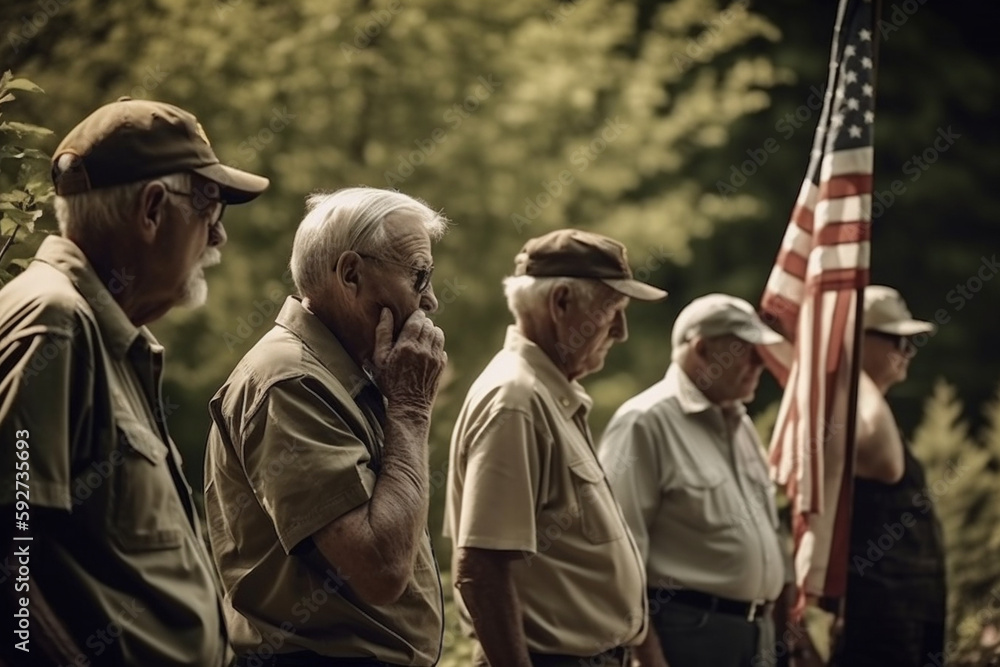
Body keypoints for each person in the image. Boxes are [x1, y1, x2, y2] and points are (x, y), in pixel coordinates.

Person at [0, 97, 268, 666]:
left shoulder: (104, 334)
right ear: (151, 210)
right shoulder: (56, 324)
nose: (217, 237)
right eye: (210, 208)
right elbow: (10, 562)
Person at [204, 187, 448, 666]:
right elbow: (379, 569)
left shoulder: (341, 375)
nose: (432, 301)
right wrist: (412, 410)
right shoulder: (290, 381)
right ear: (351, 274)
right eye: (420, 277)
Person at [445, 229, 667, 667]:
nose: (621, 331)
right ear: (561, 303)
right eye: (613, 309)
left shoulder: (544, 395)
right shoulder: (517, 399)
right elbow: (480, 570)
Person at [598, 293, 788, 667]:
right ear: (701, 349)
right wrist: (649, 657)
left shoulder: (739, 422)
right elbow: (617, 558)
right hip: (688, 634)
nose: (759, 365)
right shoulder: (644, 422)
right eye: (748, 353)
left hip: (756, 635)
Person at [828, 285, 946, 667]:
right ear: (857, 341)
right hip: (877, 618)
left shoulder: (865, 404)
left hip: (906, 613)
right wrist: (850, 360)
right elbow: (885, 461)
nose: (907, 352)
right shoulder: (856, 410)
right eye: (897, 340)